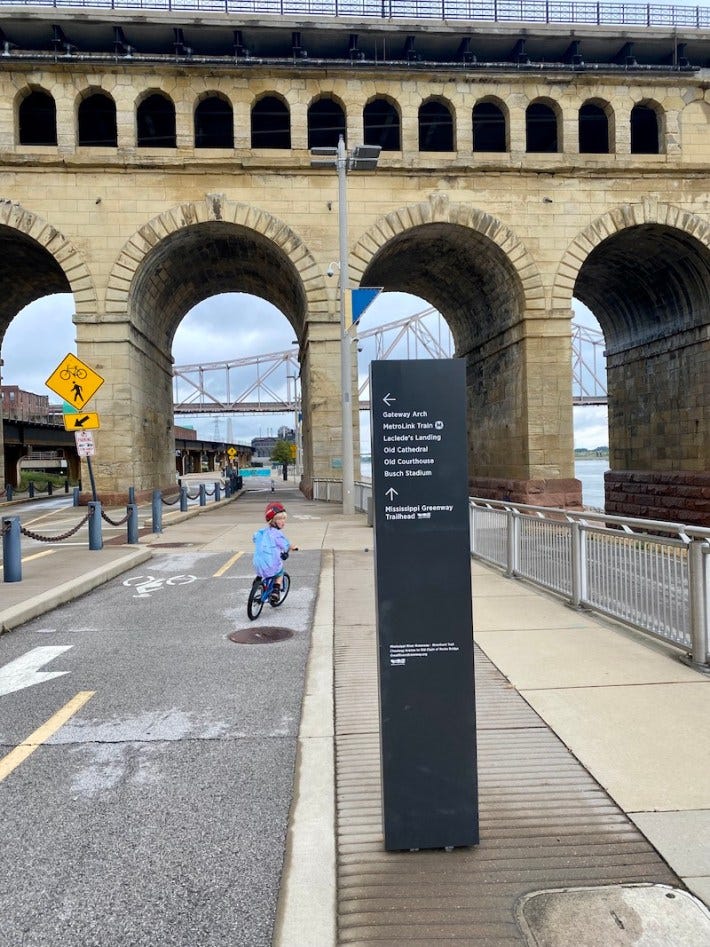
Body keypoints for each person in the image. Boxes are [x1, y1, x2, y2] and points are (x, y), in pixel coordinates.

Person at [252, 502, 297, 604]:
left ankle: (257, 581)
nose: (283, 521)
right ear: (273, 521)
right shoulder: (277, 534)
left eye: (284, 519)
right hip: (271, 564)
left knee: (262, 568)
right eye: (280, 519)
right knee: (279, 572)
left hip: (257, 563)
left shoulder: (261, 531)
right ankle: (276, 591)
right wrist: (292, 547)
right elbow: (285, 545)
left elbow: (254, 538)